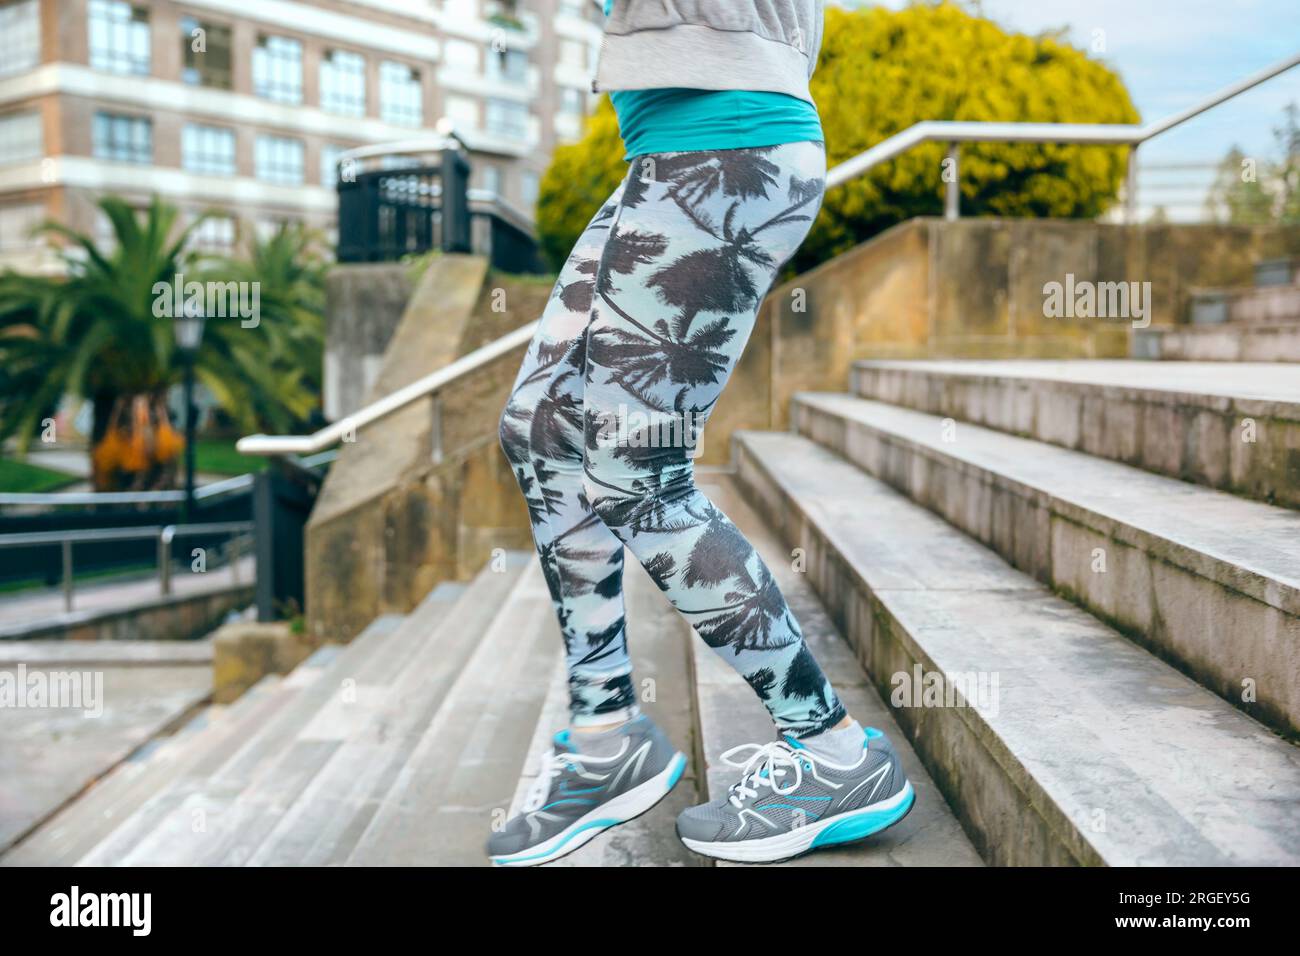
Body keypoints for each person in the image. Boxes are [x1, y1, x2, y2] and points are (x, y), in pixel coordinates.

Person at [488, 0, 913, 866]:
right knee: (538, 429)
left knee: (635, 472)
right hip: (675, 147)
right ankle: (608, 739)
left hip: (724, 147)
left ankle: (832, 753)